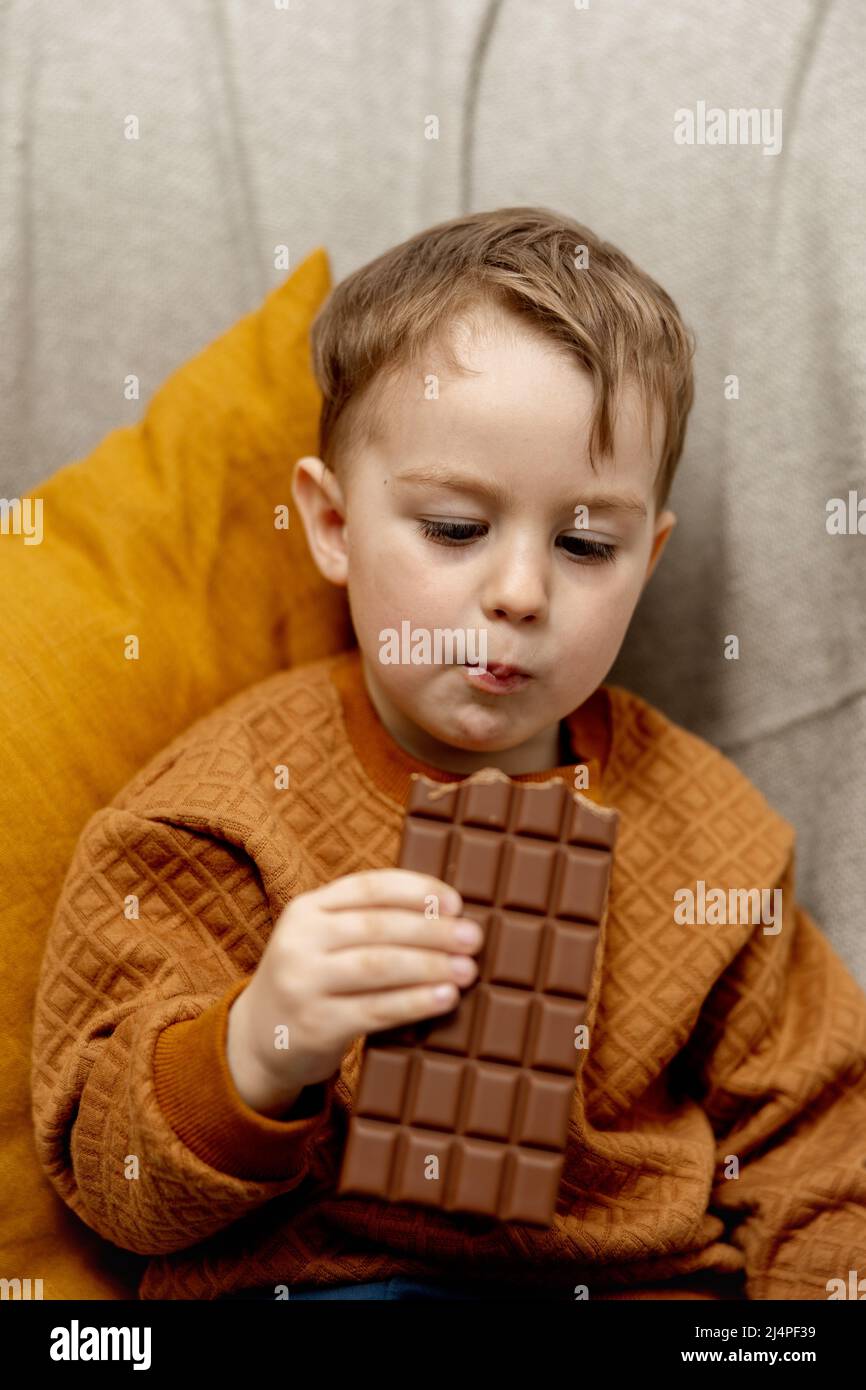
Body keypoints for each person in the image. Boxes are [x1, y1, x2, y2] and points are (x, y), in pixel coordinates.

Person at [30, 208, 866, 1302]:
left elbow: (821, 1151)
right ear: (332, 525)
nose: (518, 592)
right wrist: (257, 1046)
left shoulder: (714, 836)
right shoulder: (212, 817)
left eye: (582, 543)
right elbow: (112, 1177)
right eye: (454, 529)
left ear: (647, 556)